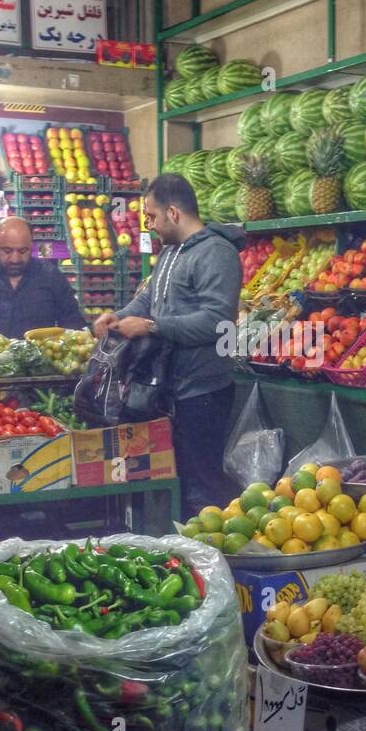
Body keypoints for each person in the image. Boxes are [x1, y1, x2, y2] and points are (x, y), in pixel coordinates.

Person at [93, 173, 244, 519]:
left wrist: (151, 326)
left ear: (174, 213)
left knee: (204, 484)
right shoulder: (171, 253)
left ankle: (225, 555)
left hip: (203, 391)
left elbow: (217, 322)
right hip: (169, 391)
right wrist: (116, 318)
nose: (149, 224)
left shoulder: (216, 254)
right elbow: (148, 300)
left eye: (152, 216)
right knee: (181, 480)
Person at [0, 217, 85, 337]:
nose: (15, 259)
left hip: (40, 359)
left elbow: (73, 324)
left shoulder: (52, 278)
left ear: (31, 245)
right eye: (7, 251)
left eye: (23, 251)